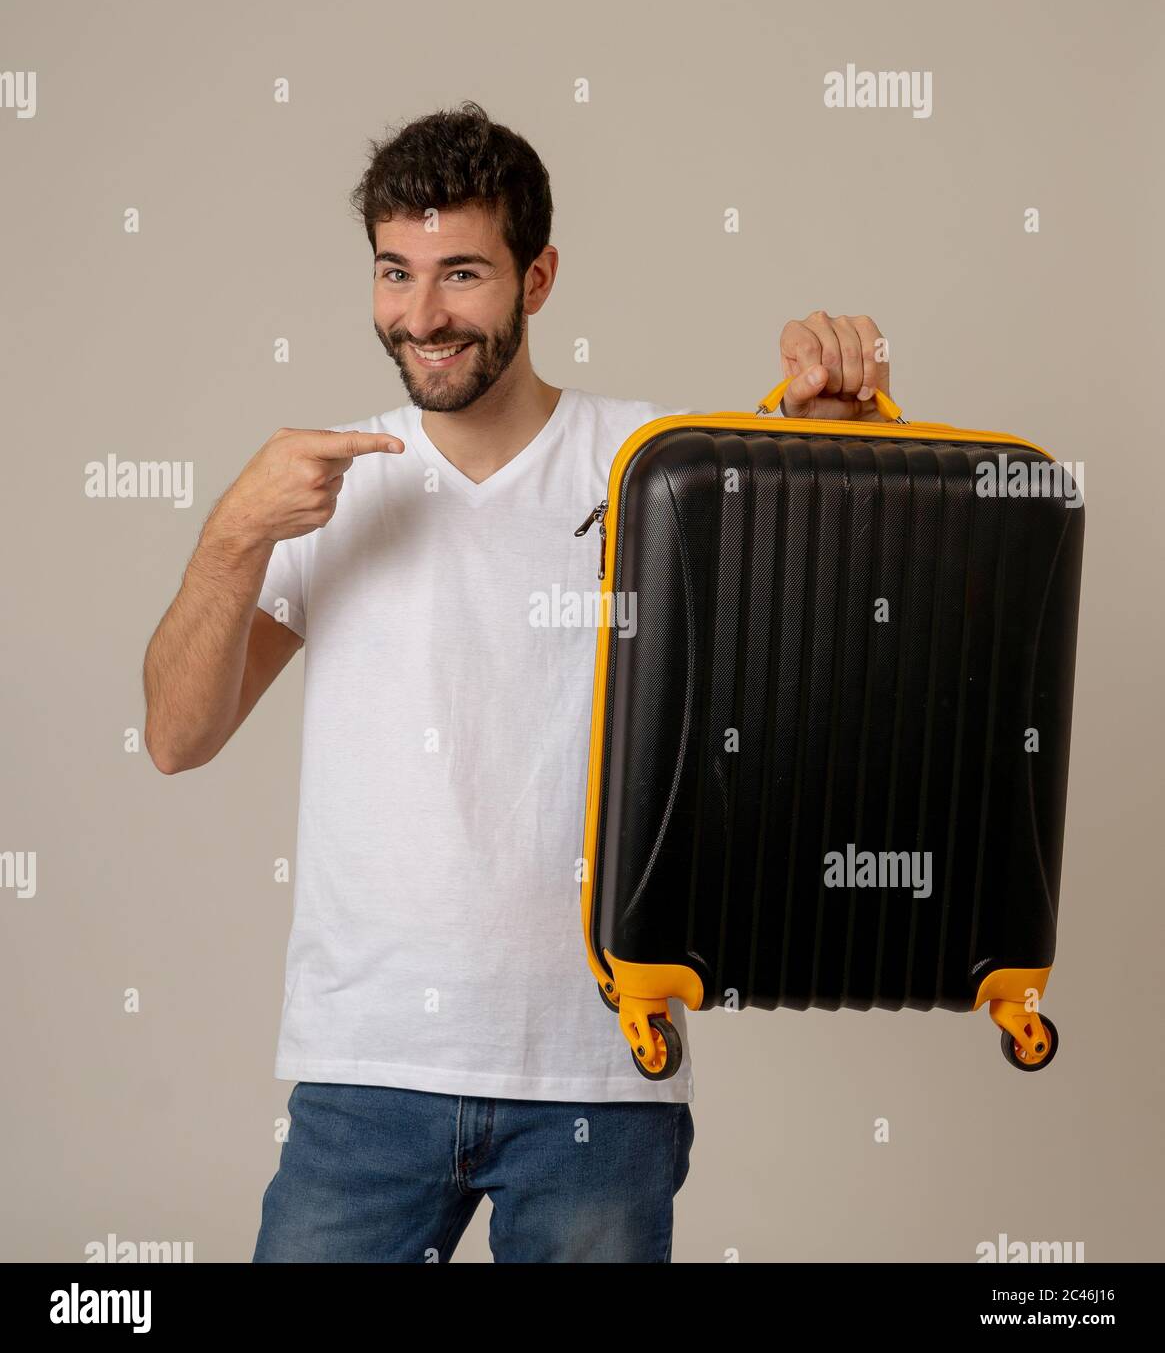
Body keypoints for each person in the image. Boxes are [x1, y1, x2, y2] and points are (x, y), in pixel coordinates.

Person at [142, 100, 893, 1263]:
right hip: (365, 1076)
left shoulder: (659, 461)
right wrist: (231, 534)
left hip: (598, 1075)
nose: (423, 314)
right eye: (396, 273)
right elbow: (176, 736)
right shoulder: (326, 481)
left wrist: (838, 449)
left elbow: (828, 657)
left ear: (537, 279)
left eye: (462, 274)